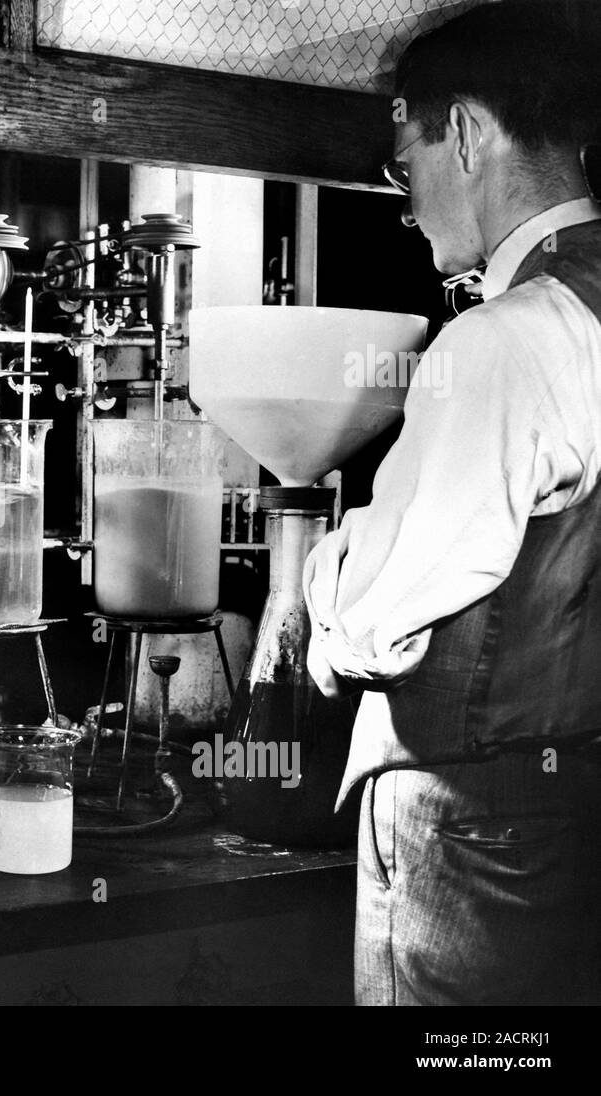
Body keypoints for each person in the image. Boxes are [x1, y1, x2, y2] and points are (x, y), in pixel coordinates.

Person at [302, 1, 601, 1005]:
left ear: (466, 131)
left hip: (475, 824)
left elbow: (383, 616)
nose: (404, 204)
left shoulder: (504, 337)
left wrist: (323, 579)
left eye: (403, 167)